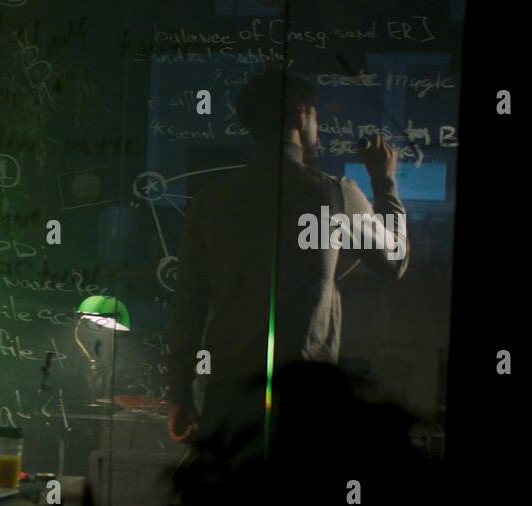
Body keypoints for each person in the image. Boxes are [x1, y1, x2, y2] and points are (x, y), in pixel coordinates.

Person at [166, 68, 410, 453]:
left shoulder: (210, 202)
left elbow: (189, 307)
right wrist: (384, 180)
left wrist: (179, 393)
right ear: (301, 115)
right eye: (315, 117)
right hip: (305, 396)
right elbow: (392, 262)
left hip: (227, 392)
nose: (318, 128)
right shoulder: (333, 194)